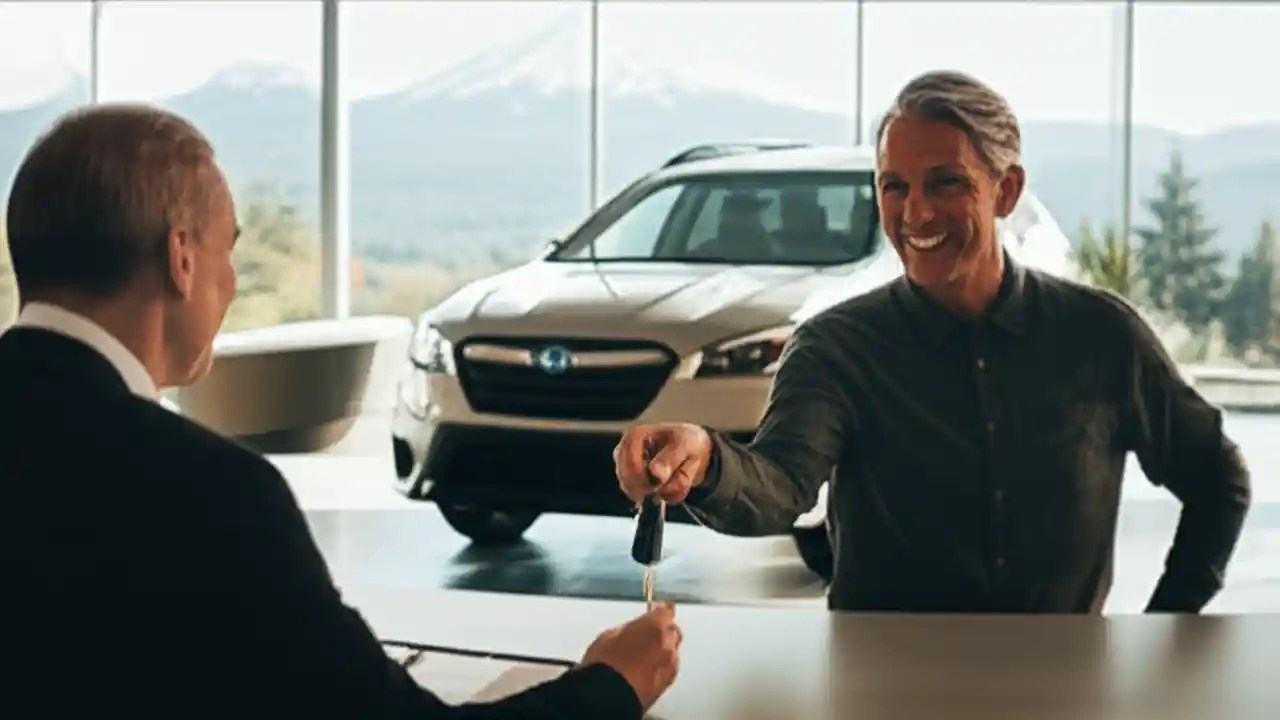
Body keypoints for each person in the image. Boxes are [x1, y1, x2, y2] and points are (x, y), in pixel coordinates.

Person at [0, 104, 679, 717]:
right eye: (227, 248)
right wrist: (611, 685)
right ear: (181, 259)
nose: (232, 282)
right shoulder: (210, 495)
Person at [615, 70, 1252, 615]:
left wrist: (1172, 626)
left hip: (1065, 688)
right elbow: (781, 487)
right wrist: (705, 460)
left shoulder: (1102, 337)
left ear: (1006, 191)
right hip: (880, 688)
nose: (915, 213)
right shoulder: (835, 348)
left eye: (945, 182)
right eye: (895, 186)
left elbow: (1216, 476)